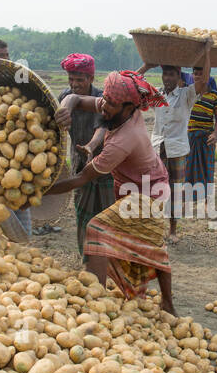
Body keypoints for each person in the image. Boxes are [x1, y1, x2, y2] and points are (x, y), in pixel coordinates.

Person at [48, 69, 176, 314]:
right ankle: (141, 296)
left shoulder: (124, 139)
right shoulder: (118, 109)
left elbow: (80, 179)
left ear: (129, 108)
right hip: (137, 187)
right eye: (104, 99)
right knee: (145, 244)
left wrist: (44, 191)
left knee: (99, 229)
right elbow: (78, 100)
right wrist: (66, 105)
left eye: (111, 104)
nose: (104, 106)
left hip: (149, 194)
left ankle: (96, 297)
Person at [59, 53, 115, 253]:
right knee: (83, 217)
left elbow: (102, 128)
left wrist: (91, 146)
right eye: (71, 79)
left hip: (104, 167)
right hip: (79, 166)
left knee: (107, 216)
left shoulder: (101, 99)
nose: (74, 84)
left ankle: (108, 259)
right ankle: (86, 259)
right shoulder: (64, 99)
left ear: (91, 78)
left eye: (80, 80)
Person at [150, 65, 198, 243]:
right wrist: (148, 65)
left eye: (171, 74)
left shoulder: (186, 95)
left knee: (175, 190)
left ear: (179, 76)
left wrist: (207, 53)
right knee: (154, 190)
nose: (167, 78)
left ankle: (172, 230)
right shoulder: (156, 95)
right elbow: (134, 83)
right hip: (157, 147)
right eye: (164, 74)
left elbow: (203, 79)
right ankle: (155, 227)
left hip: (177, 150)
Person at [185, 62, 217, 212]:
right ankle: (188, 199)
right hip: (189, 137)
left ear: (207, 76)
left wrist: (215, 133)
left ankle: (207, 200)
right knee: (188, 168)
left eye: (201, 73)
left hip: (206, 138)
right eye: (195, 73)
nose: (198, 76)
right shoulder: (187, 93)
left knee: (207, 170)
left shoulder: (214, 95)